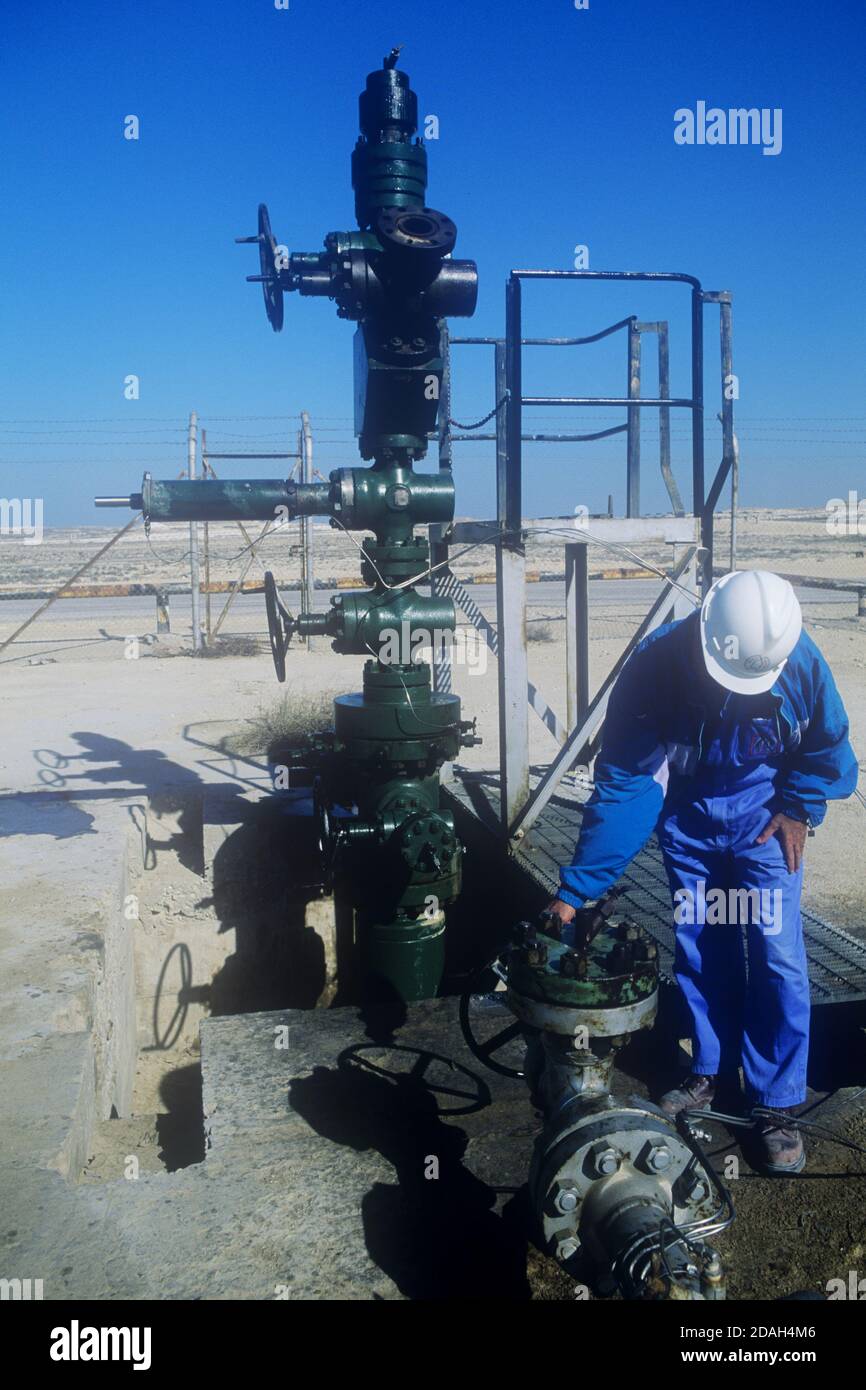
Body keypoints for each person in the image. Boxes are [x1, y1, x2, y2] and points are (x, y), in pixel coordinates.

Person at [547, 570, 858, 1174]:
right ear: (706, 636)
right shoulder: (655, 665)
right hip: (688, 816)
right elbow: (628, 783)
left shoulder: (798, 659)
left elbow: (828, 747)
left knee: (778, 955)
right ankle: (710, 1071)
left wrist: (800, 807)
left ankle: (775, 1102)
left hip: (765, 817)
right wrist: (578, 886)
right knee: (701, 945)